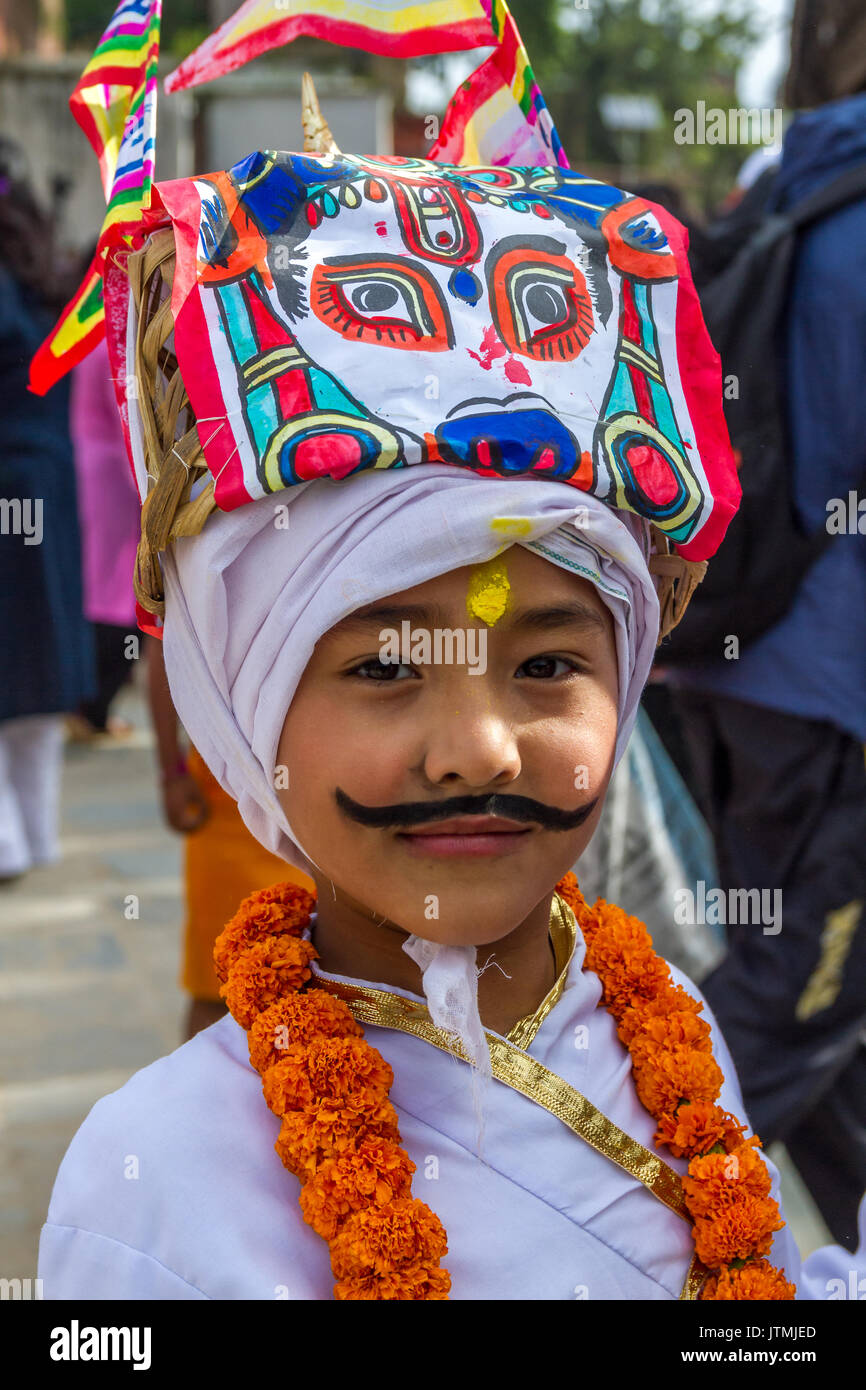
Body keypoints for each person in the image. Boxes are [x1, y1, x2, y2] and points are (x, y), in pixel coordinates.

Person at [36, 110, 864, 1299]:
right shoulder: (154, 1178)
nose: (478, 746)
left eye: (544, 668)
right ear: (240, 707)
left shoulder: (664, 1029)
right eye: (381, 668)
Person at [670, 0, 866, 1250]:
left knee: (822, 994)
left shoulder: (794, 185)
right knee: (793, 997)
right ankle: (598, 1207)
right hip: (834, 681)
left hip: (744, 662)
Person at [0, 141, 94, 879]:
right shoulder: (49, 281)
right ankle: (33, 838)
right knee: (35, 664)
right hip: (51, 488)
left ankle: (7, 845)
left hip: (8, 484)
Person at [145, 634, 315, 1040]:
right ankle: (200, 1100)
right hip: (228, 789)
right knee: (217, 982)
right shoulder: (186, 569)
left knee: (318, 978)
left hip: (313, 781)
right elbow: (163, 651)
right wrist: (172, 771)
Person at [68, 332, 141, 739]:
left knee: (102, 588)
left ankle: (87, 706)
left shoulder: (95, 338)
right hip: (111, 476)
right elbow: (126, 425)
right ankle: (91, 708)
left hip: (94, 470)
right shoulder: (113, 342)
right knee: (117, 595)